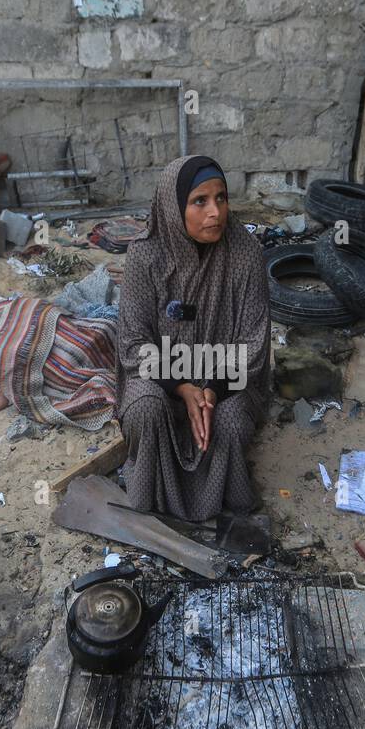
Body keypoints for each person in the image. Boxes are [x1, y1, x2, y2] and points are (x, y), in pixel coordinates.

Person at [116, 155, 271, 522]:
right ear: (174, 206)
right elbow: (133, 343)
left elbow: (253, 346)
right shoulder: (145, 255)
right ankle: (149, 494)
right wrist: (182, 387)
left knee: (231, 422)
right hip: (162, 376)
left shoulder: (246, 255)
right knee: (145, 409)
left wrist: (212, 390)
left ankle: (222, 500)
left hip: (227, 378)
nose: (215, 212)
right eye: (199, 201)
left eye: (221, 198)